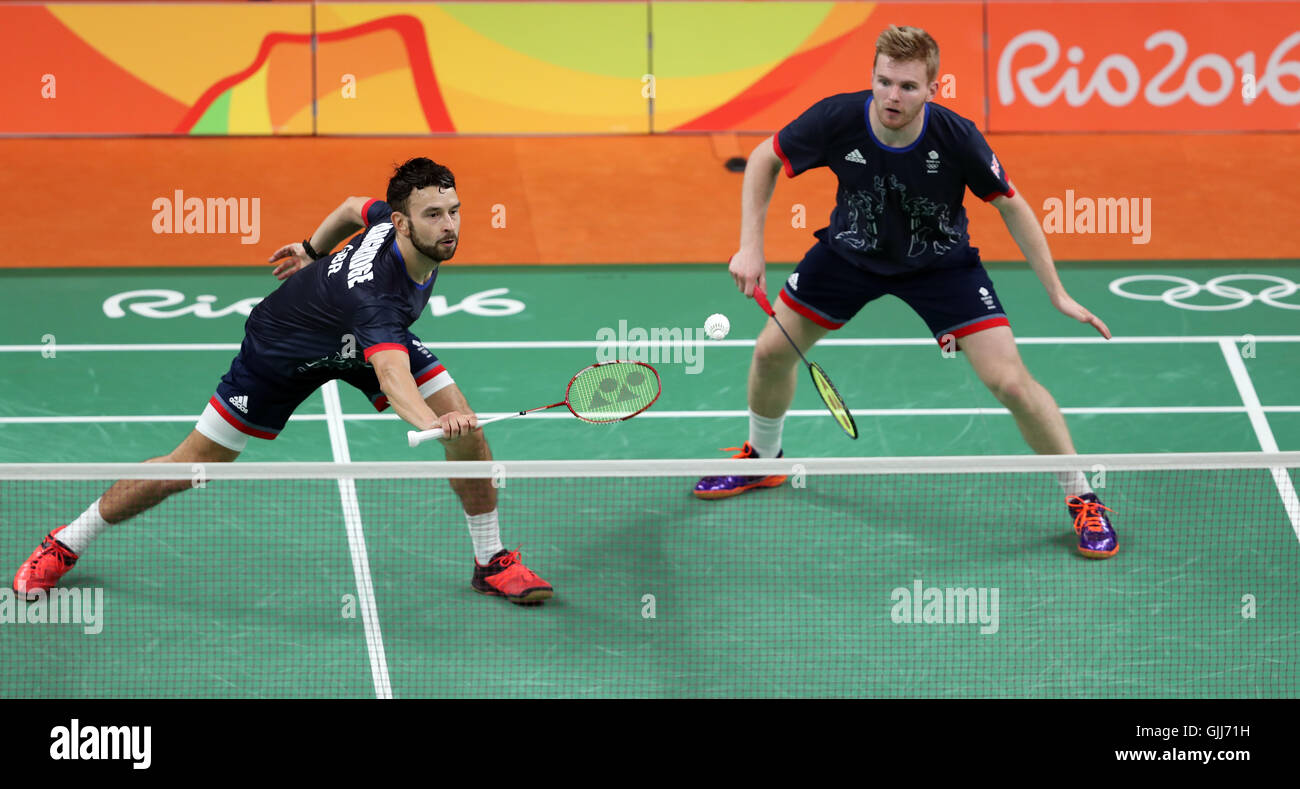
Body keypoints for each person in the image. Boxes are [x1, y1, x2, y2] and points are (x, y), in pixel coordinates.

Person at [14, 158, 555, 601]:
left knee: (473, 438)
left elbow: (349, 207)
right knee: (191, 467)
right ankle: (66, 541)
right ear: (401, 222)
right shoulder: (377, 296)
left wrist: (311, 251)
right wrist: (434, 424)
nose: (449, 226)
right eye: (433, 214)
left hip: (357, 339)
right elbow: (392, 375)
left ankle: (489, 560)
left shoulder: (406, 236)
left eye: (454, 211)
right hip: (285, 348)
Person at [692, 25, 1118, 559]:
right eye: (884, 81)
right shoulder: (838, 118)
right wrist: (749, 247)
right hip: (850, 255)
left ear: (933, 89)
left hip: (940, 266)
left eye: (909, 87)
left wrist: (1056, 292)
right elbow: (763, 158)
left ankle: (1082, 496)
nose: (893, 96)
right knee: (770, 352)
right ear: (872, 77)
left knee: (1010, 383)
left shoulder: (957, 138)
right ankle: (765, 459)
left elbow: (1012, 204)